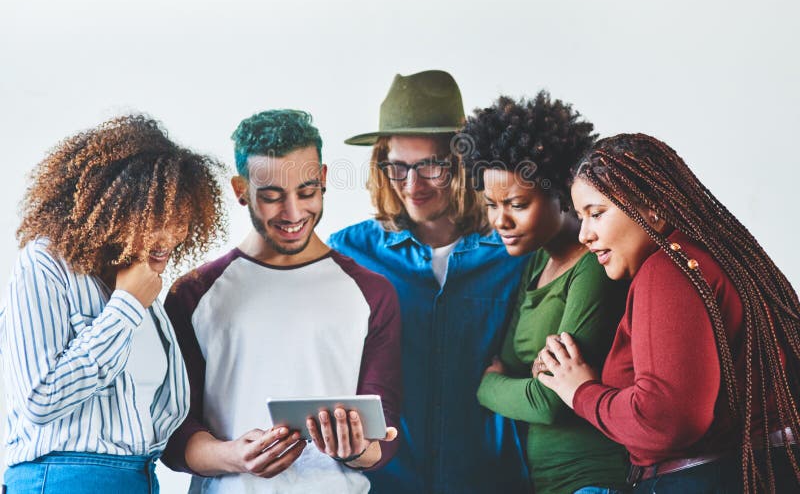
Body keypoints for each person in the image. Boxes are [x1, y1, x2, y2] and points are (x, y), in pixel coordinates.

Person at [535, 133, 800, 493]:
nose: (585, 234)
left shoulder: (667, 271)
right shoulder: (714, 258)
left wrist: (580, 390)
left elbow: (666, 420)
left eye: (597, 214)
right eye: (581, 217)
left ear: (652, 209)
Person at [161, 109, 402, 494]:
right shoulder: (194, 293)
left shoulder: (373, 293)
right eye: (272, 197)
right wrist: (235, 457)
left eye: (306, 192)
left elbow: (385, 435)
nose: (293, 213)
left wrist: (356, 449)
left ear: (323, 180)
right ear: (241, 190)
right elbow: (173, 436)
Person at [0, 115, 227, 494]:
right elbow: (41, 399)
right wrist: (124, 307)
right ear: (115, 211)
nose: (168, 236)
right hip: (60, 479)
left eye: (181, 220)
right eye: (155, 218)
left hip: (138, 478)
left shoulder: (146, 289)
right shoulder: (46, 265)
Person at [329, 71, 529, 493]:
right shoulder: (347, 254)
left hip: (491, 480)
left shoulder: (515, 253)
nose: (412, 185)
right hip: (384, 482)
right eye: (397, 167)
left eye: (430, 166)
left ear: (462, 162)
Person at [459, 93, 629, 494]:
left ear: (560, 190)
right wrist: (526, 382)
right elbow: (518, 368)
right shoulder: (536, 263)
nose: (501, 220)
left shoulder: (592, 268)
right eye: (491, 205)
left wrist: (486, 387)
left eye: (517, 204)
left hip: (594, 482)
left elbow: (549, 402)